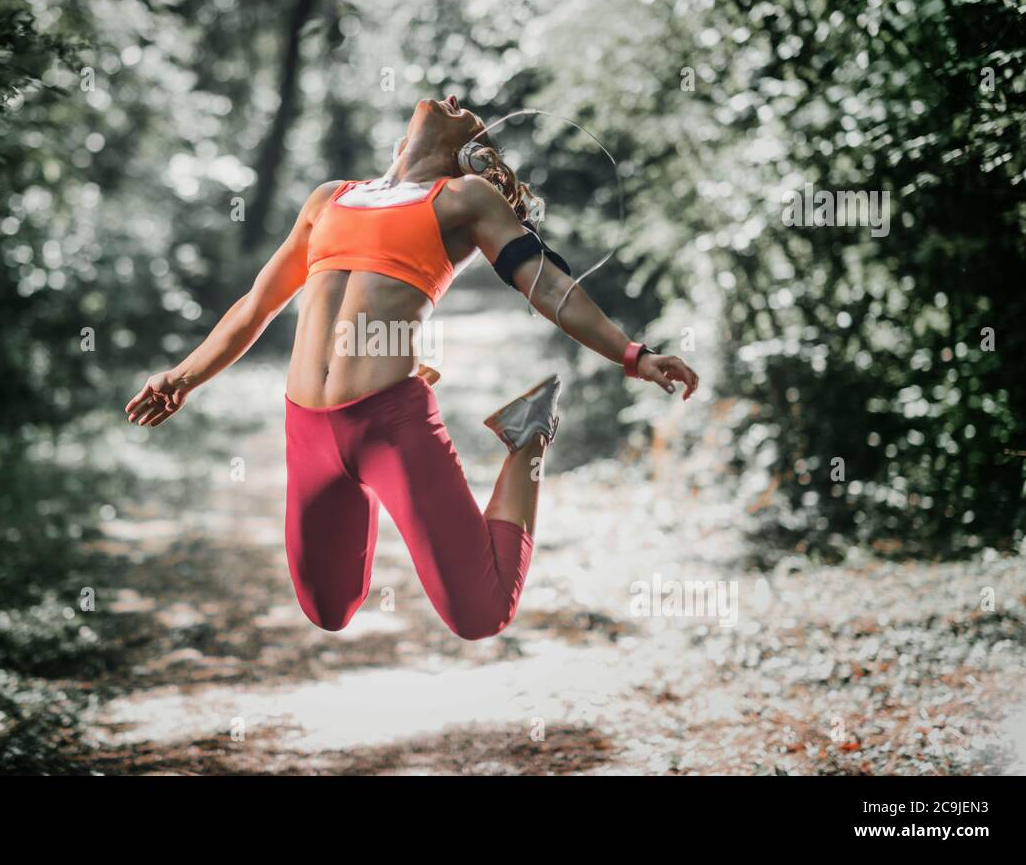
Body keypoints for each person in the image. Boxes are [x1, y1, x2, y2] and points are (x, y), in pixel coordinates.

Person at [126, 95, 699, 639]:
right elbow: (258, 304)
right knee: (329, 608)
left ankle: (528, 437)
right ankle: (372, 463)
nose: (456, 102)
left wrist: (634, 355)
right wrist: (184, 375)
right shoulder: (330, 198)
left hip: (390, 427)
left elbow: (549, 287)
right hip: (307, 429)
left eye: (469, 114)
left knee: (482, 613)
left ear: (470, 151)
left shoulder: (464, 198)